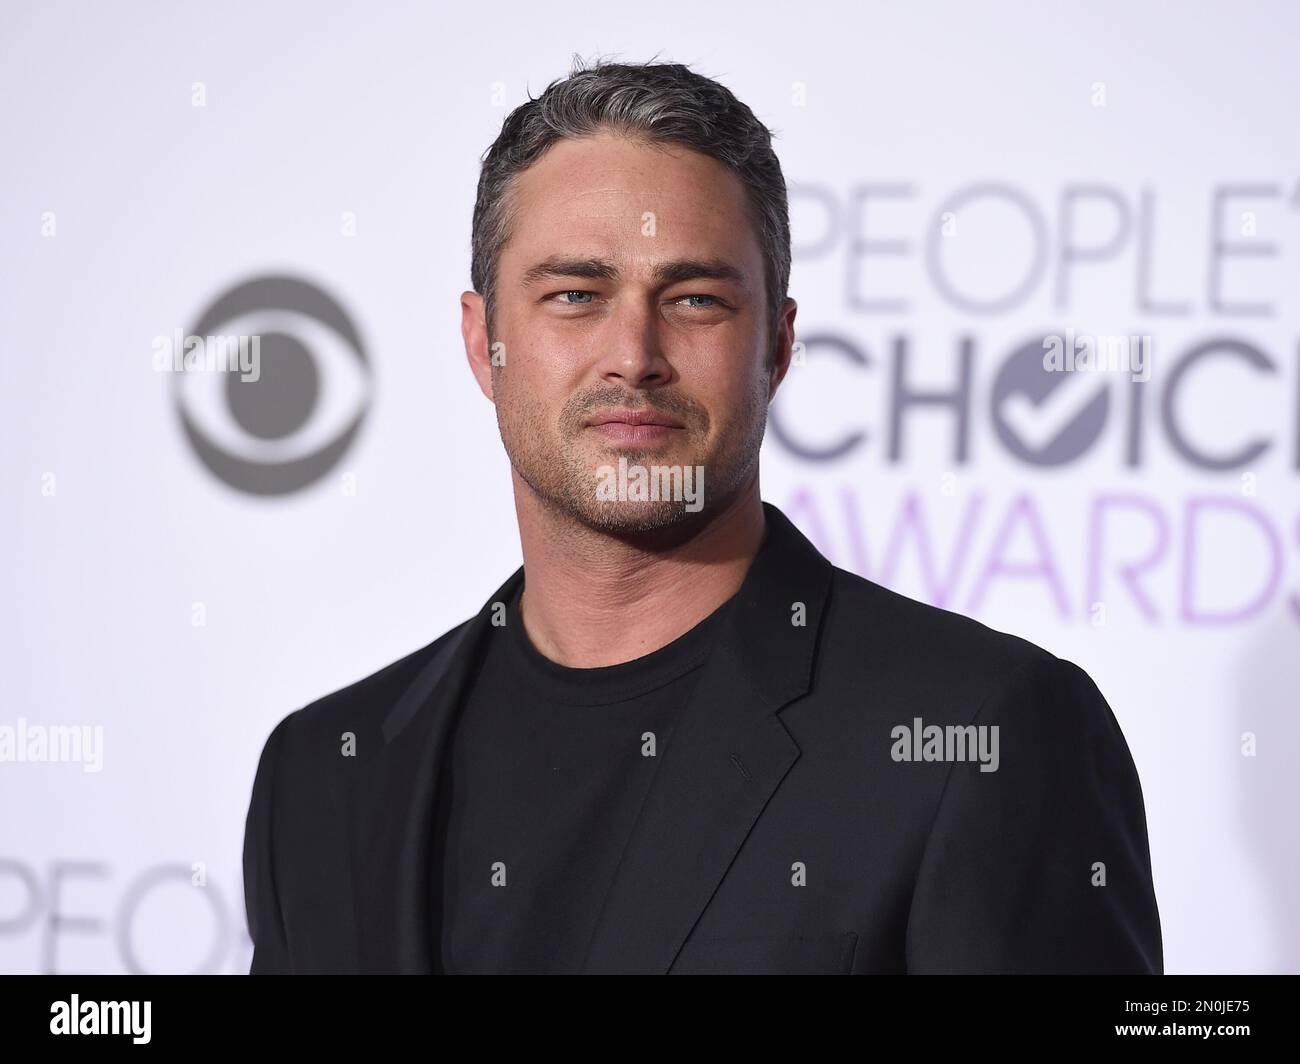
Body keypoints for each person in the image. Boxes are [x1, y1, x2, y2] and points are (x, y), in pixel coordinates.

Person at [242, 56, 1162, 974]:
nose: (633, 355)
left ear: (778, 346)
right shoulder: (324, 772)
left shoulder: (982, 736)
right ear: (487, 346)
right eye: (575, 295)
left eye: (694, 300)